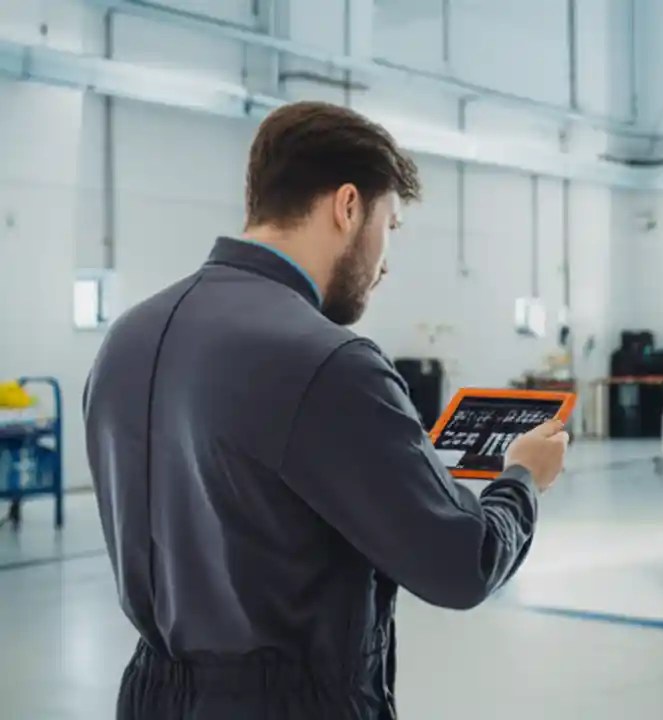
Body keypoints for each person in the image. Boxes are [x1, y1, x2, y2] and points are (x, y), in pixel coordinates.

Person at [83, 101, 569, 719]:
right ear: (347, 207)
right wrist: (523, 478)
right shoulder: (329, 362)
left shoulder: (127, 337)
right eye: (388, 225)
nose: (385, 260)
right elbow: (461, 564)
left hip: (152, 694)